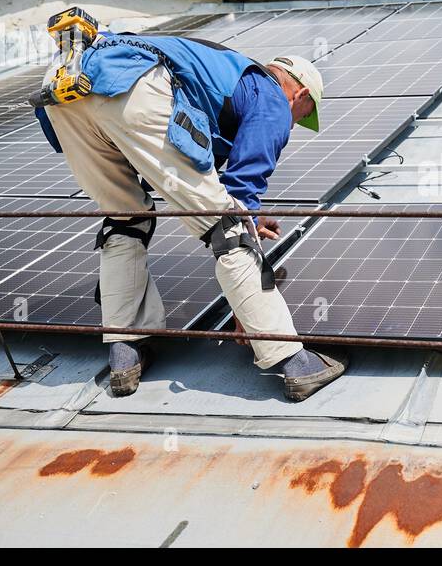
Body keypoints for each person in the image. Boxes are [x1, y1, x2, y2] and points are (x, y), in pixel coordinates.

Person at [36, 35, 347, 400]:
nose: (293, 126)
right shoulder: (271, 94)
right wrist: (242, 232)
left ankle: (124, 354)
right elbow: (237, 195)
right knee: (226, 228)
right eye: (301, 118)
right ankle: (290, 360)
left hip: (64, 90)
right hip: (134, 84)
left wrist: (247, 213)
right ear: (301, 95)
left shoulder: (222, 75)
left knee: (124, 220)